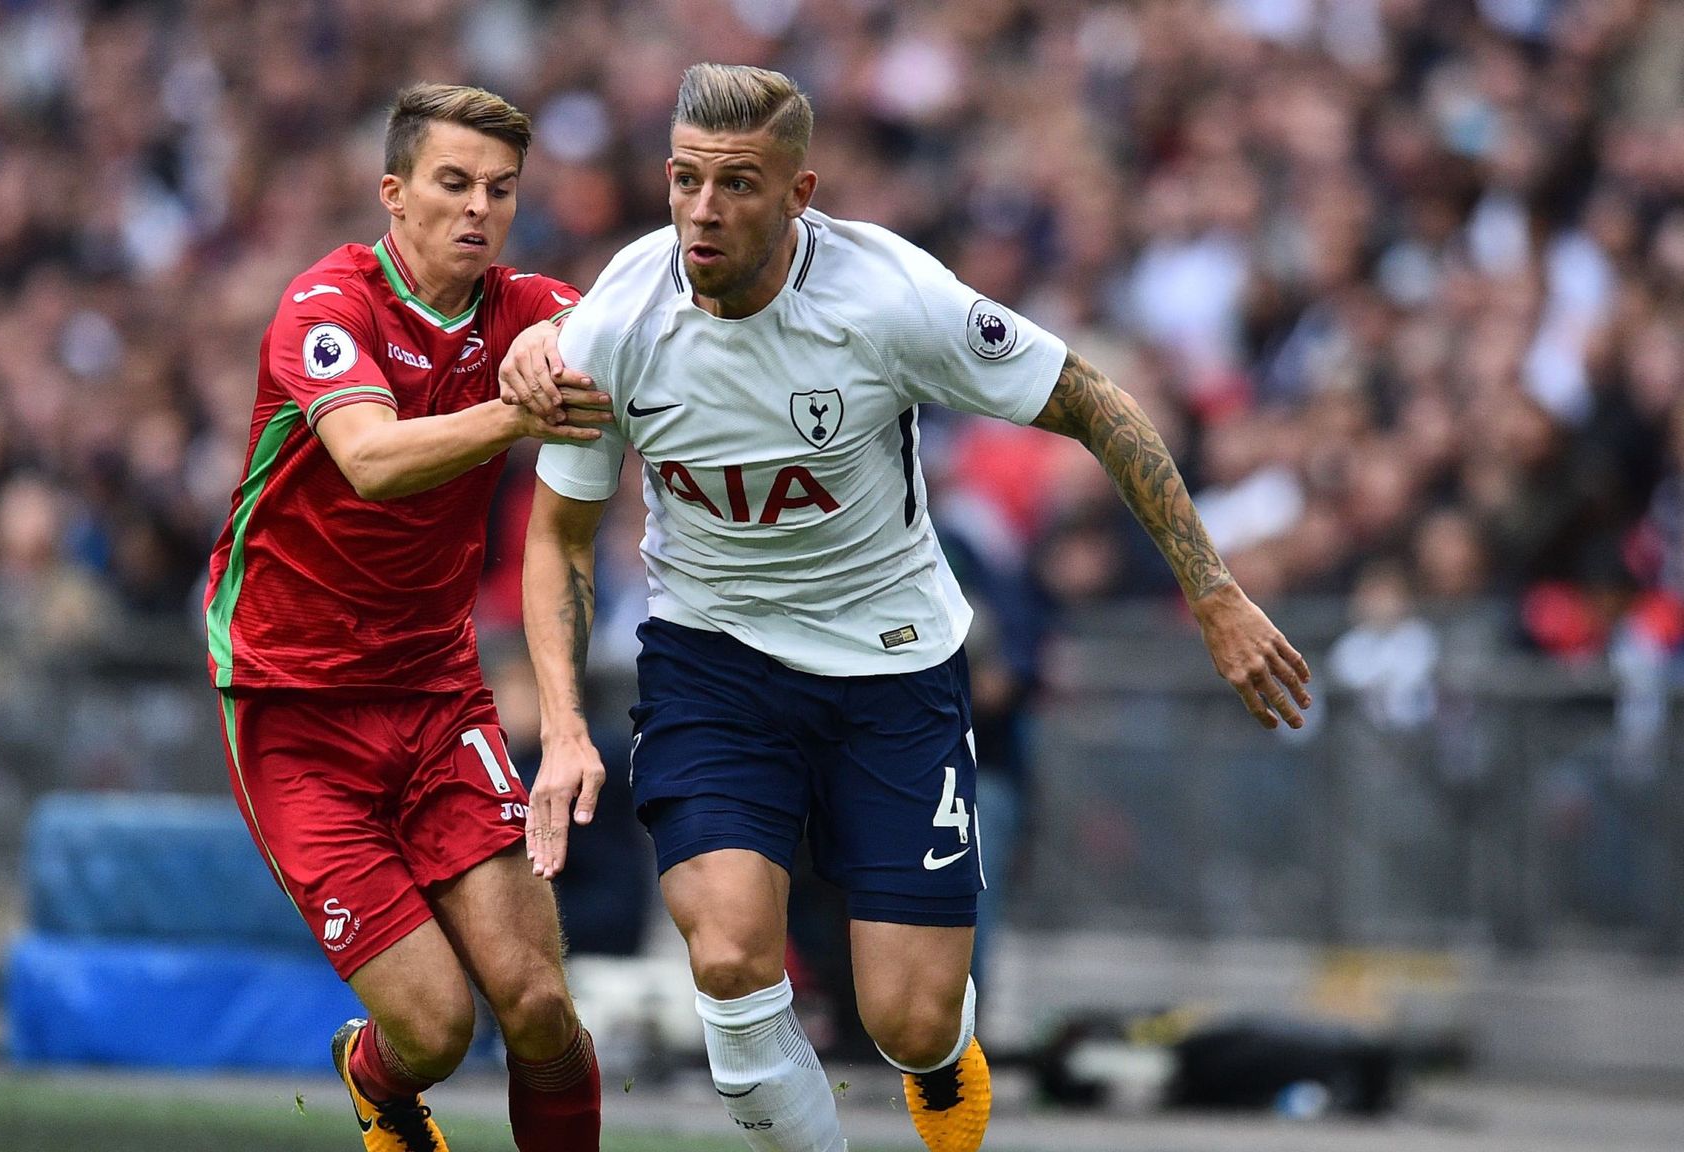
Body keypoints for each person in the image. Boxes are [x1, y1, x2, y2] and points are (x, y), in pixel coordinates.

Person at [507, 64, 1312, 1152]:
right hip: (711, 665)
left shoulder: (889, 299)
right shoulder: (615, 327)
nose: (704, 209)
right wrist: (560, 726)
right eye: (687, 180)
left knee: (911, 1019)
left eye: (737, 183)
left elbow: (1093, 400)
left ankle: (940, 1067)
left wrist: (1212, 595)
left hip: (890, 669)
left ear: (799, 196)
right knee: (731, 962)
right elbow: (556, 538)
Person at [202, 83, 611, 1152]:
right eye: (453, 183)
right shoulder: (324, 307)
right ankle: (378, 1078)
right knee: (433, 1029)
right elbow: (372, 462)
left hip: (437, 693)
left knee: (536, 1005)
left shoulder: (515, 307)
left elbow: (605, 326)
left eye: (500, 189)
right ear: (394, 193)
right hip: (293, 708)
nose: (478, 207)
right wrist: (518, 408)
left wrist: (564, 337)